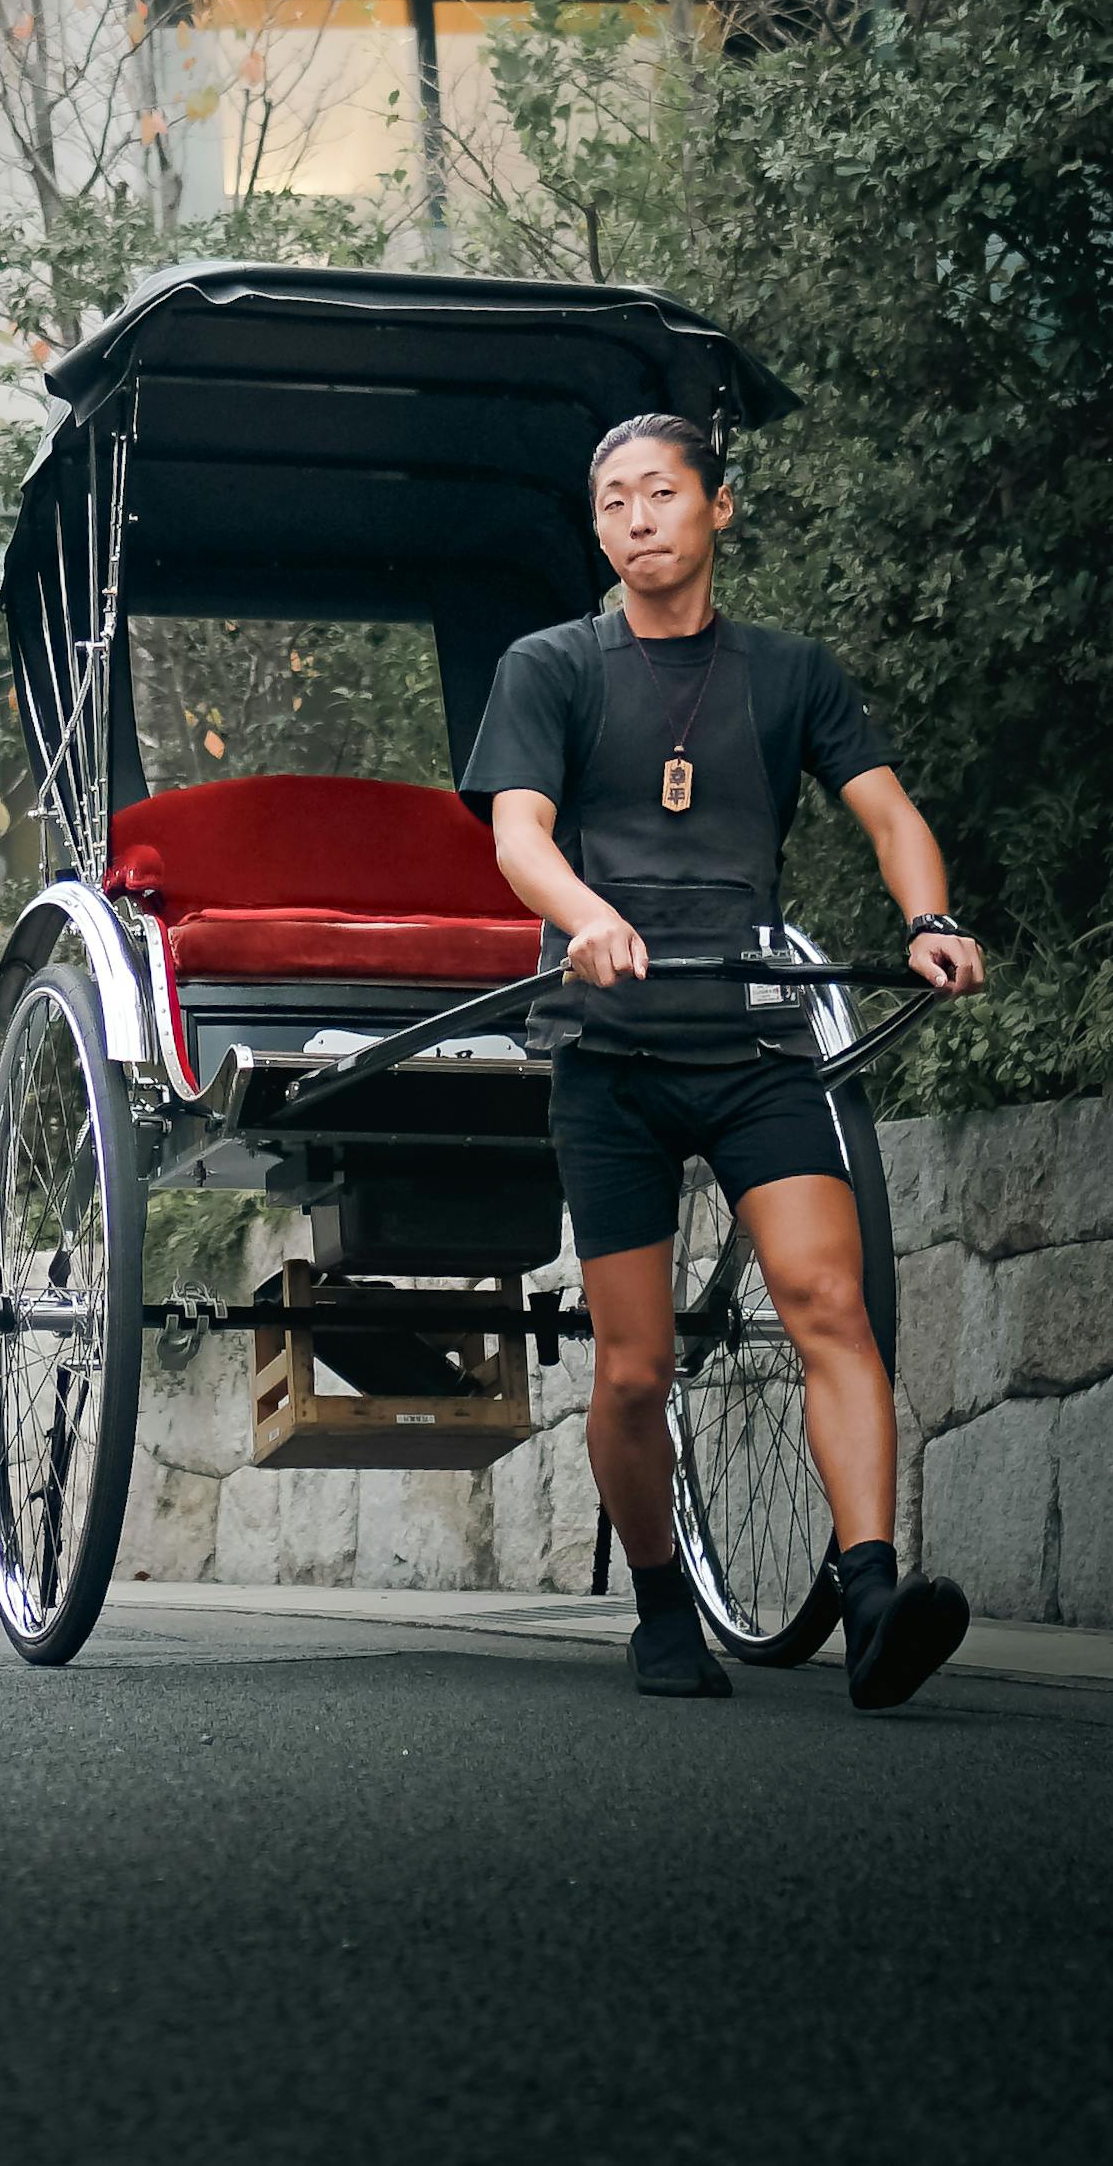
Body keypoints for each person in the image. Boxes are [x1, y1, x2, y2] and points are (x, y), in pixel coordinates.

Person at [461, 412, 983, 1709]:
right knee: (637, 1369)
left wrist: (929, 921)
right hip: (612, 1055)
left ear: (718, 510)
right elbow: (520, 837)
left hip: (756, 1040)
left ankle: (870, 1601)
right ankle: (658, 1604)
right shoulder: (550, 667)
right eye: (615, 503)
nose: (639, 520)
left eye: (662, 495)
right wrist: (585, 920)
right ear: (599, 529)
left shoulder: (790, 673)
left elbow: (887, 809)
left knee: (831, 1303)